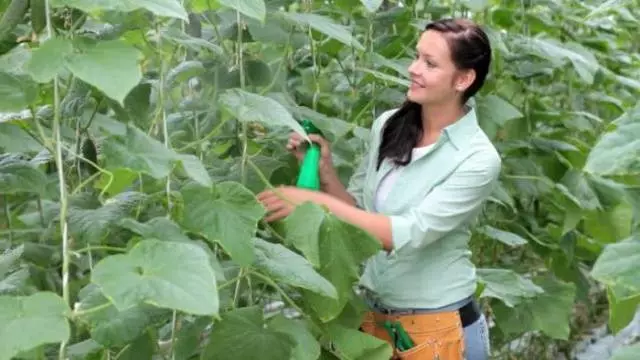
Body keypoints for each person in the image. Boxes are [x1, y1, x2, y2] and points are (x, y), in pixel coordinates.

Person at [257, 17, 499, 360]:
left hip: (438, 329)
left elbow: (405, 233)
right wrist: (325, 173)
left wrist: (311, 201)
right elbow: (362, 216)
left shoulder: (478, 158)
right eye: (416, 56)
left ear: (464, 79)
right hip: (376, 318)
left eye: (430, 64)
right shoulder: (389, 125)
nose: (413, 68)